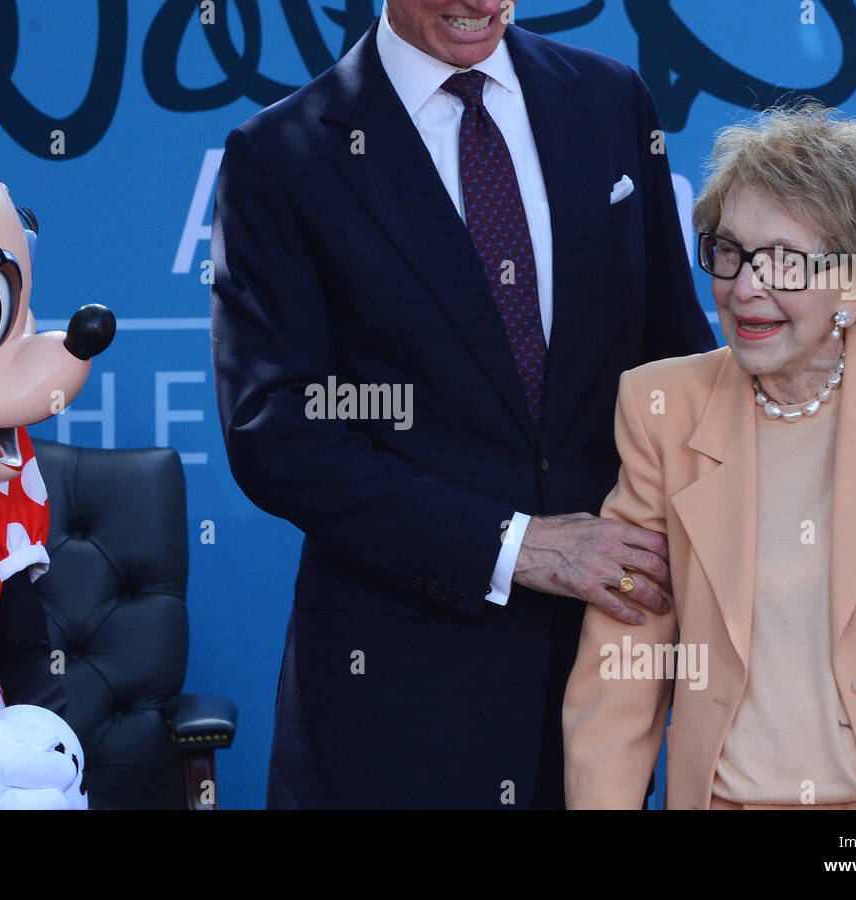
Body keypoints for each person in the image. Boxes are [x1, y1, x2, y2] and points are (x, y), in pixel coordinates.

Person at [211, 0, 715, 808]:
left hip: (606, 663)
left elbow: (676, 361)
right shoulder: (281, 154)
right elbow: (278, 431)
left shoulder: (613, 98)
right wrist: (512, 546)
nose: (482, 4)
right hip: (398, 682)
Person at [562, 103, 856, 810]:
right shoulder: (661, 407)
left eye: (786, 263)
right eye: (731, 251)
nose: (744, 287)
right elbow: (625, 661)